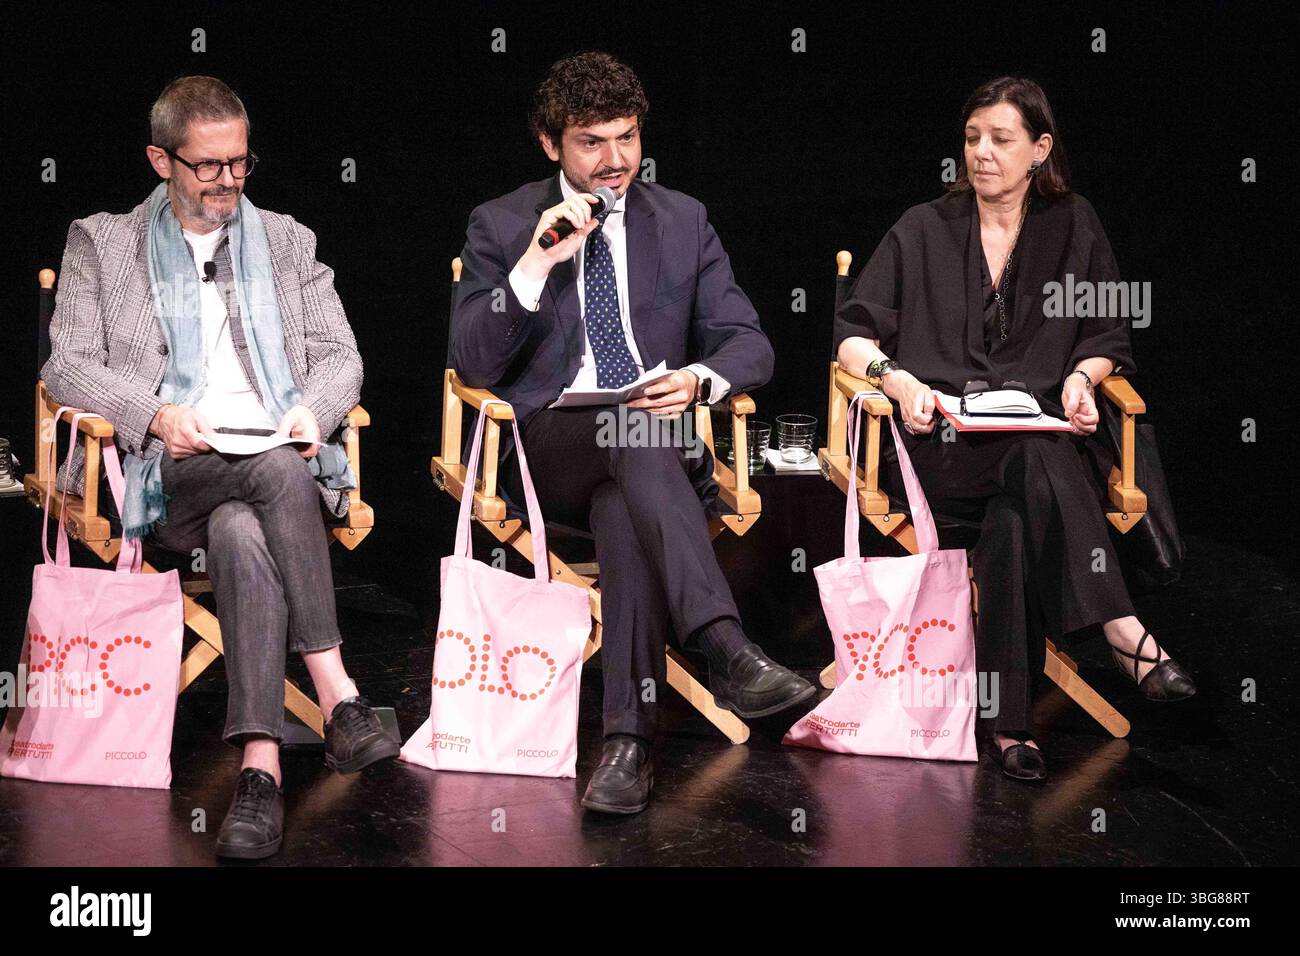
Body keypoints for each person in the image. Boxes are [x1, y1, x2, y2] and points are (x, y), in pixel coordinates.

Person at [42, 76, 398, 857]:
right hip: (161, 474)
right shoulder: (101, 241)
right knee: (274, 474)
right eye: (208, 166)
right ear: (160, 160)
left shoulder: (287, 241)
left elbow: (342, 355)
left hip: (264, 470)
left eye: (240, 163)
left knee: (247, 523)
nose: (229, 181)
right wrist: (155, 414)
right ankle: (337, 690)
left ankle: (260, 773)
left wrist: (315, 409)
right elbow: (67, 365)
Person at [452, 51, 814, 814]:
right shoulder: (504, 222)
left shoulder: (680, 220)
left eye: (627, 138)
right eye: (592, 141)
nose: (616, 160)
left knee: (626, 509)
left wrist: (697, 381)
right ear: (551, 144)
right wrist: (534, 264)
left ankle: (626, 744)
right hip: (549, 444)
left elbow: (750, 343)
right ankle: (725, 647)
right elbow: (472, 360)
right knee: (630, 438)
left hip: (649, 453)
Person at [834, 76, 1195, 782]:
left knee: (1014, 517)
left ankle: (1008, 729)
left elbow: (1106, 335)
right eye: (972, 138)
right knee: (1029, 463)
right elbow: (852, 336)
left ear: (1040, 149)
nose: (982, 153)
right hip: (942, 452)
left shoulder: (1074, 224)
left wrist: (1082, 381)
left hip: (1043, 453)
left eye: (1001, 139)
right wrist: (898, 380)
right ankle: (1123, 632)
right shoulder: (922, 227)